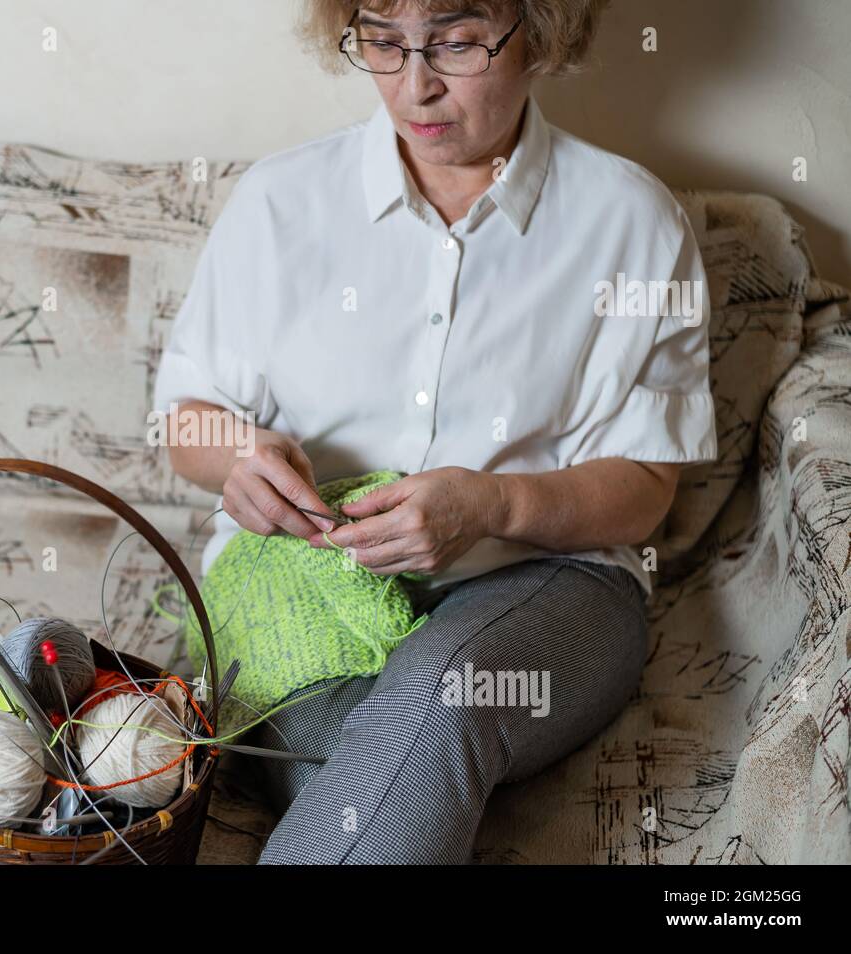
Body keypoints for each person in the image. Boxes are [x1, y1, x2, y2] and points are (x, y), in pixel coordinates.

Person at [151, 0, 717, 864]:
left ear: (542, 29)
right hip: (306, 584)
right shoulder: (280, 201)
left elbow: (643, 491)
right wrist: (240, 454)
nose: (415, 84)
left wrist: (490, 504)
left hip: (552, 582)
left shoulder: (632, 222)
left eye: (456, 40)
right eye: (381, 39)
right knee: (346, 763)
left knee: (447, 697)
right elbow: (186, 417)